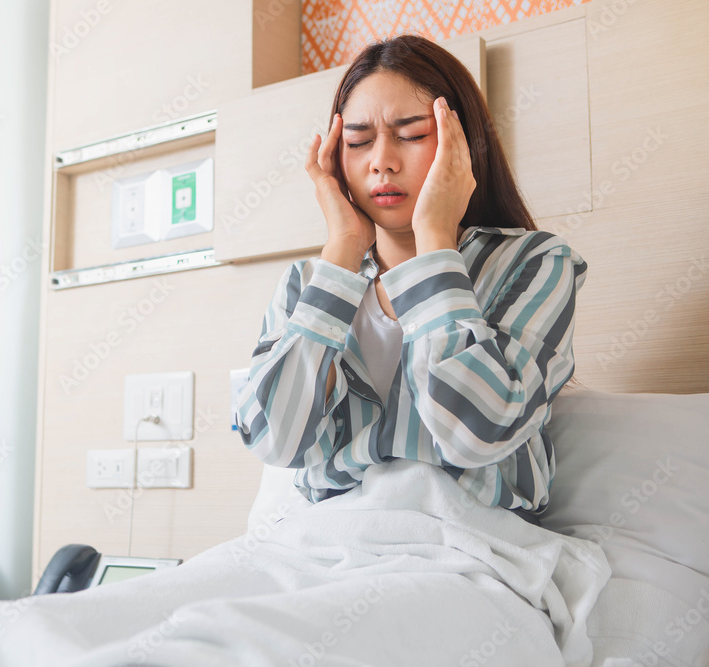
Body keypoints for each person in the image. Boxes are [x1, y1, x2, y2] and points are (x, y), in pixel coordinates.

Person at [234, 34, 588, 524]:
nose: (381, 161)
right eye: (358, 142)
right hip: (330, 538)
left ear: (465, 144)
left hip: (475, 541)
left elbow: (476, 433)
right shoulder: (308, 284)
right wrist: (340, 252)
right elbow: (276, 439)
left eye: (412, 134)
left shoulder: (535, 262)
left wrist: (435, 239)